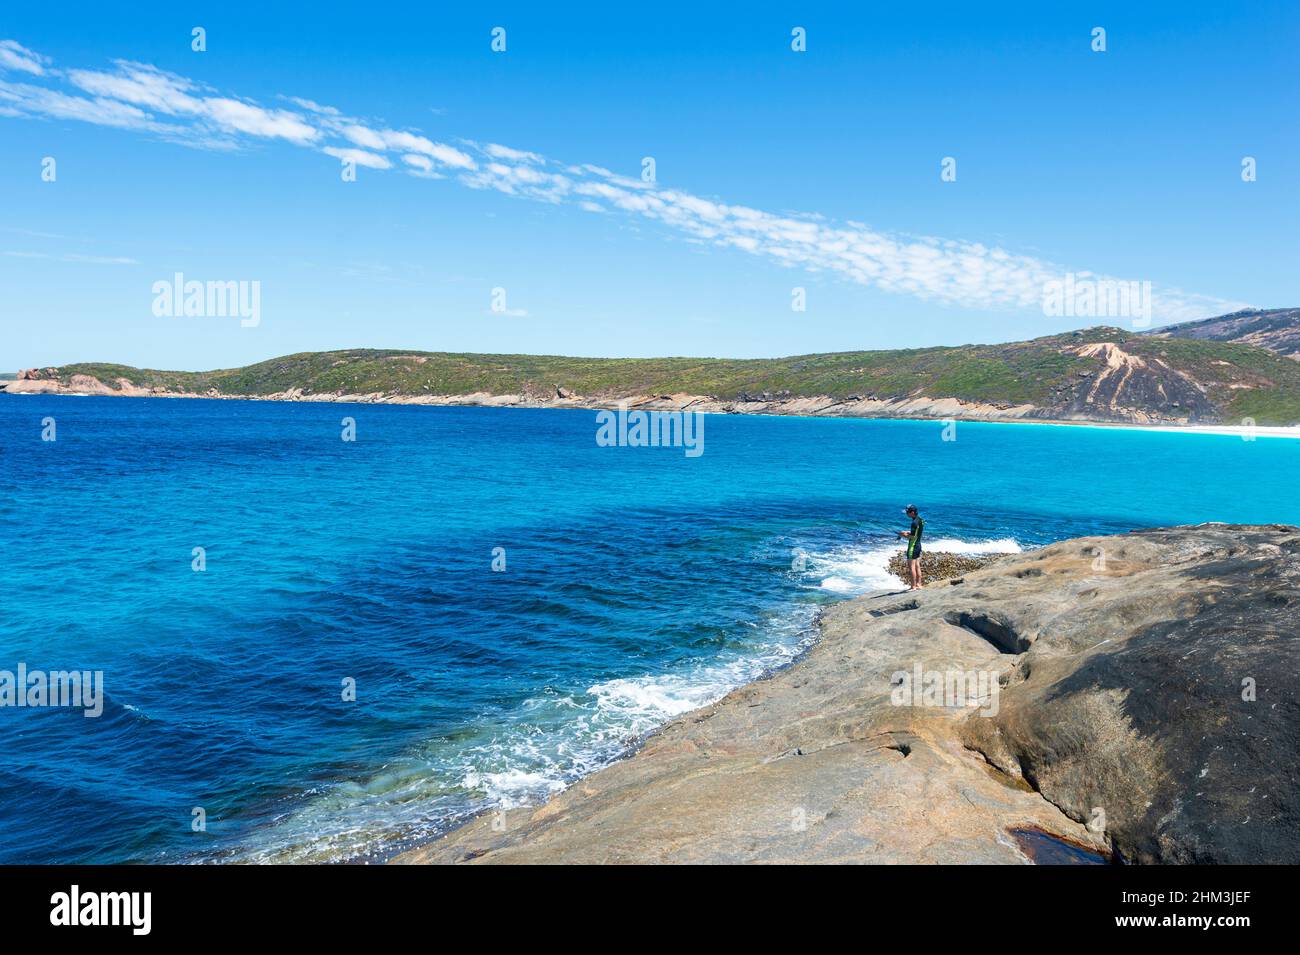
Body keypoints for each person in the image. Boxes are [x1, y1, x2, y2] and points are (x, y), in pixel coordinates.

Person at [896, 505, 925, 590]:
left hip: (913, 547)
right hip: (918, 545)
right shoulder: (920, 520)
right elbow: (917, 532)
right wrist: (905, 532)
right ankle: (919, 584)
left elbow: (912, 537)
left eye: (907, 512)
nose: (906, 514)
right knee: (917, 566)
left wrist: (902, 535)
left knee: (911, 567)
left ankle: (913, 586)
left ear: (912, 512)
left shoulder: (914, 523)